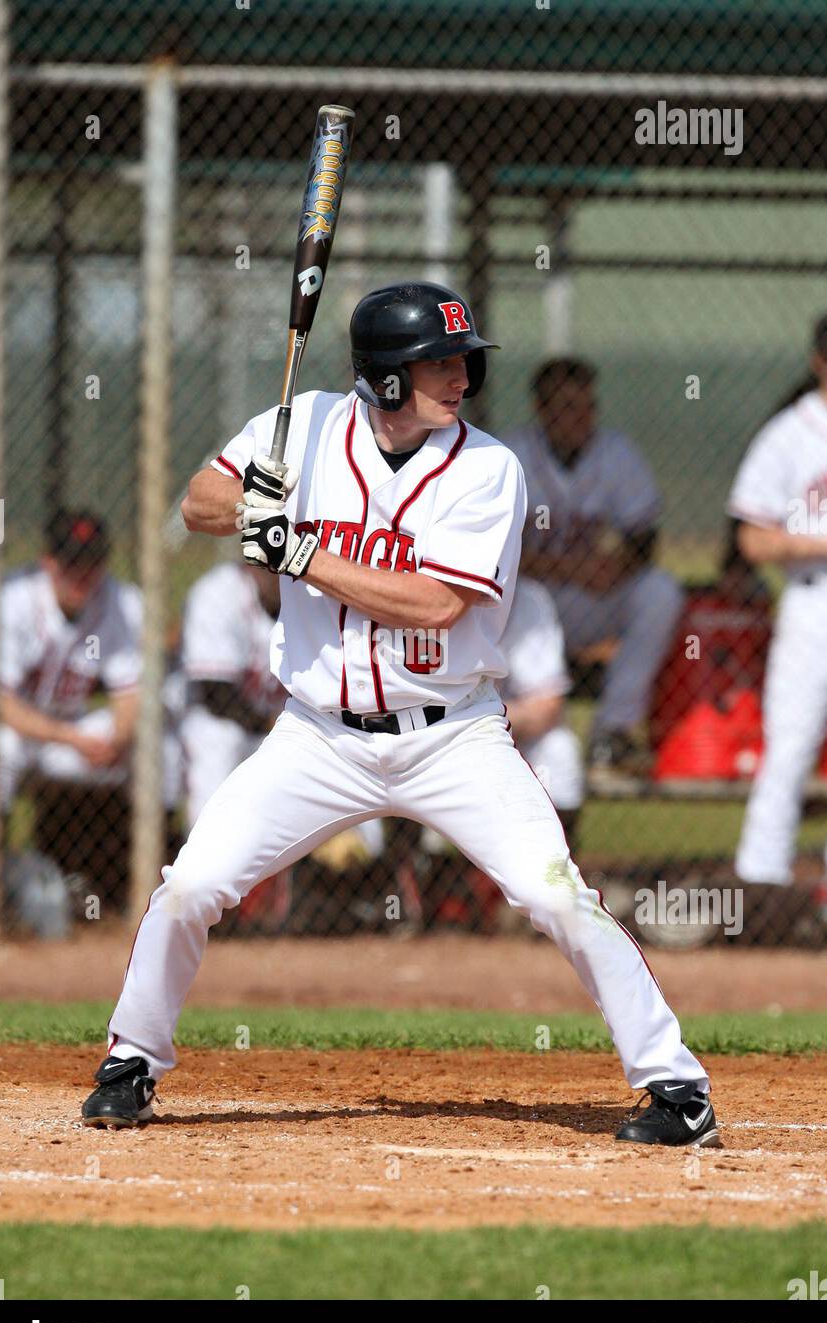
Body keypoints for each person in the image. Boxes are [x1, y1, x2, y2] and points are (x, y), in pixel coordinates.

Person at [81, 281, 717, 1149]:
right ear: (383, 379)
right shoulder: (301, 425)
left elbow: (432, 605)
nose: (461, 378)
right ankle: (132, 1059)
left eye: (463, 361)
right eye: (439, 364)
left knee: (556, 893)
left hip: (454, 735)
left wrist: (297, 544)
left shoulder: (489, 467)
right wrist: (251, 504)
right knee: (192, 884)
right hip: (318, 738)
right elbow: (198, 503)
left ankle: (676, 1085)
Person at [0, 511, 181, 917]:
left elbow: (131, 693)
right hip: (6, 729)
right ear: (49, 561)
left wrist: (118, 736)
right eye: (71, 563)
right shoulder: (13, 599)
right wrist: (71, 738)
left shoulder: (120, 601)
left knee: (158, 744)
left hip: (66, 736)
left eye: (92, 562)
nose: (83, 574)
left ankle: (155, 894)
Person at [503, 358, 684, 773]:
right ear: (541, 409)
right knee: (512, 594)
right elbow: (489, 555)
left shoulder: (614, 451)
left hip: (585, 603)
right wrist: (569, 568)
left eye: (588, 405)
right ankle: (500, 722)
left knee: (658, 591)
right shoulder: (509, 455)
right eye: (568, 406)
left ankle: (613, 732)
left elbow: (644, 536)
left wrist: (616, 567)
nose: (581, 416)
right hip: (524, 606)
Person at [727, 314, 827, 887]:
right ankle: (761, 884)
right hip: (812, 601)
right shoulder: (790, 433)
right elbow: (751, 537)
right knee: (789, 746)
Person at [181, 563, 285, 827]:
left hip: (284, 732)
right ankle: (205, 851)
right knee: (221, 740)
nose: (278, 576)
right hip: (223, 724)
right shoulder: (219, 592)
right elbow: (216, 695)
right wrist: (272, 725)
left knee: (365, 840)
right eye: (270, 566)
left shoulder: (317, 600)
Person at [498, 574, 583, 848]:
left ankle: (556, 867)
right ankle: (434, 876)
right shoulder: (428, 590)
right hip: (438, 733)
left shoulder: (526, 597)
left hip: (500, 726)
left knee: (559, 749)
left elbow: (548, 705)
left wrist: (485, 723)